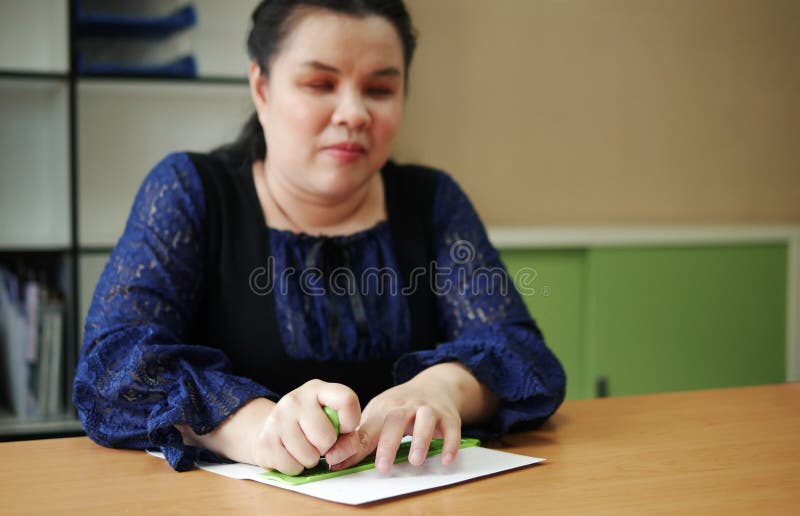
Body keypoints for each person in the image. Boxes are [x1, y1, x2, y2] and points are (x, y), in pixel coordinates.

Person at [74, 0, 566, 475]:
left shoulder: (431, 198)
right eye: (319, 83)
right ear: (261, 88)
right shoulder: (190, 189)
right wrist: (254, 426)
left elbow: (521, 352)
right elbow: (114, 368)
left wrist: (442, 388)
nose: (354, 113)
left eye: (379, 89)